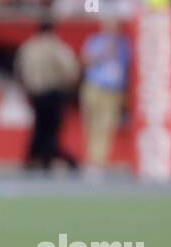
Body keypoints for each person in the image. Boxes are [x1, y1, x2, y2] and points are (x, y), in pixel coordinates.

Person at [16, 18, 80, 173]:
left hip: (36, 93)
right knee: (52, 128)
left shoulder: (28, 47)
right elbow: (70, 69)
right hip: (54, 93)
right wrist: (69, 85)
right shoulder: (57, 47)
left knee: (39, 126)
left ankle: (34, 158)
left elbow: (21, 70)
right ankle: (46, 158)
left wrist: (28, 88)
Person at [79, 17, 131, 174]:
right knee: (91, 124)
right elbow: (85, 61)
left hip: (113, 90)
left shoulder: (124, 44)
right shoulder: (95, 41)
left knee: (107, 125)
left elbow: (127, 66)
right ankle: (90, 160)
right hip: (94, 87)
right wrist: (102, 53)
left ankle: (99, 162)